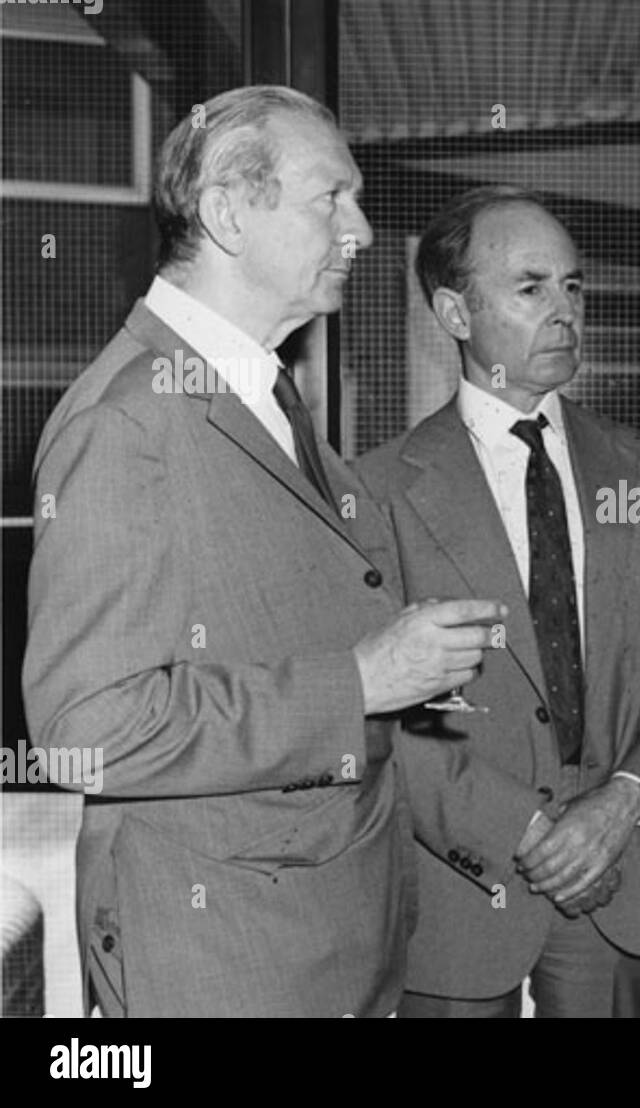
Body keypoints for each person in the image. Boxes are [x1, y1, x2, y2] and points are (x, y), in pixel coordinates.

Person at [22, 86, 504, 1017]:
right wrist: (360, 679)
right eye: (332, 197)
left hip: (315, 931)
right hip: (227, 958)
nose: (361, 229)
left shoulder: (258, 392)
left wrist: (397, 658)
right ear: (227, 213)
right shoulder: (129, 420)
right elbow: (86, 732)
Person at [355, 186, 640, 1018]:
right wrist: (527, 833)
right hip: (456, 900)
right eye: (531, 288)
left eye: (574, 286)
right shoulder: (377, 492)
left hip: (619, 875)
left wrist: (623, 803)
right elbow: (386, 713)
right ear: (455, 312)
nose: (564, 311)